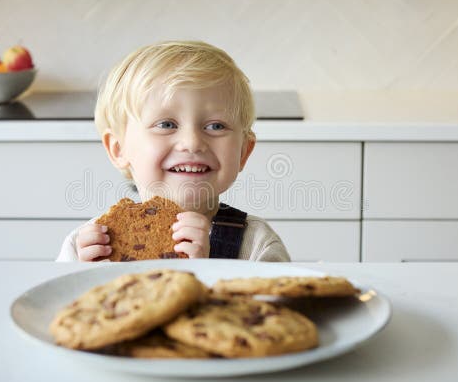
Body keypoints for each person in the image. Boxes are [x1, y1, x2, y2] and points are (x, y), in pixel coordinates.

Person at [56, 41, 290, 262]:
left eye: (215, 126)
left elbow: (282, 304)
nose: (192, 142)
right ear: (118, 149)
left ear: (243, 152)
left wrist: (208, 269)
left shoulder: (258, 247)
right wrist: (84, 278)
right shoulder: (83, 247)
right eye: (166, 125)